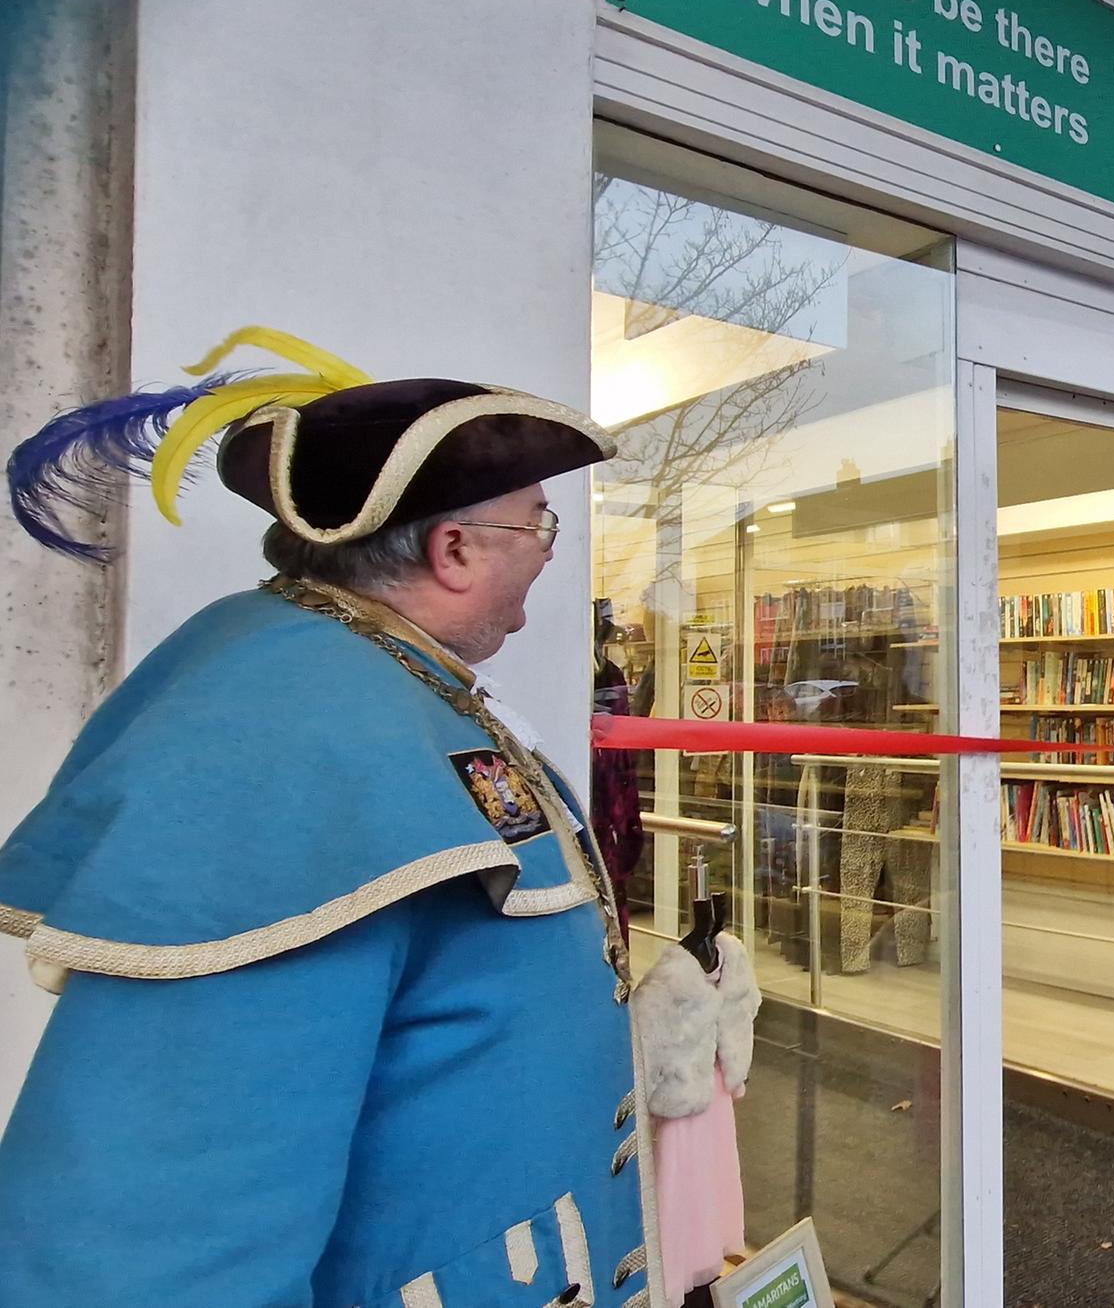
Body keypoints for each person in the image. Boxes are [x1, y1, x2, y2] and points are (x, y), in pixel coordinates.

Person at [0, 329, 659, 1304]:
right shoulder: (285, 737)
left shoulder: (373, 684)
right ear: (455, 548)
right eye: (542, 526)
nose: (549, 555)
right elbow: (159, 1242)